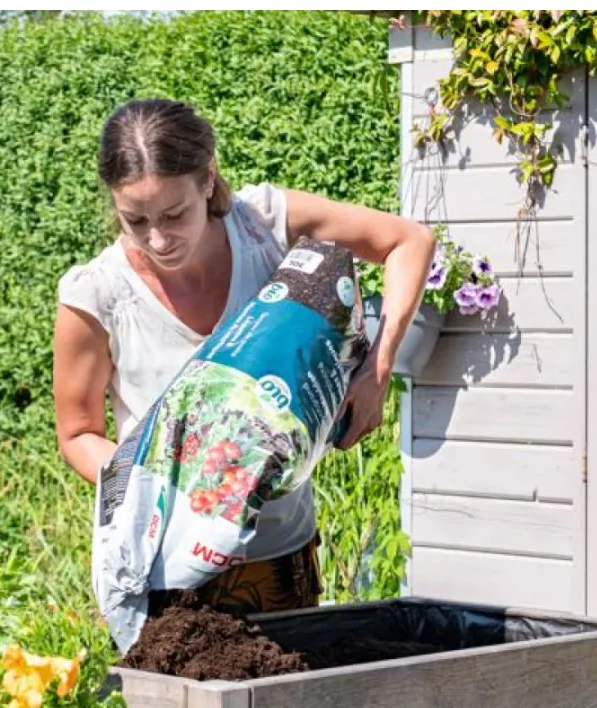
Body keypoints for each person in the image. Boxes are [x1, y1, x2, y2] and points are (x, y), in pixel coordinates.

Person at [53, 98, 433, 616]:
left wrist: (377, 369)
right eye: (134, 220)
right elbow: (77, 433)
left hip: (281, 558)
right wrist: (163, 492)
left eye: (174, 213)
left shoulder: (263, 224)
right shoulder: (97, 293)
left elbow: (408, 241)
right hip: (168, 576)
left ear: (208, 180)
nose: (158, 239)